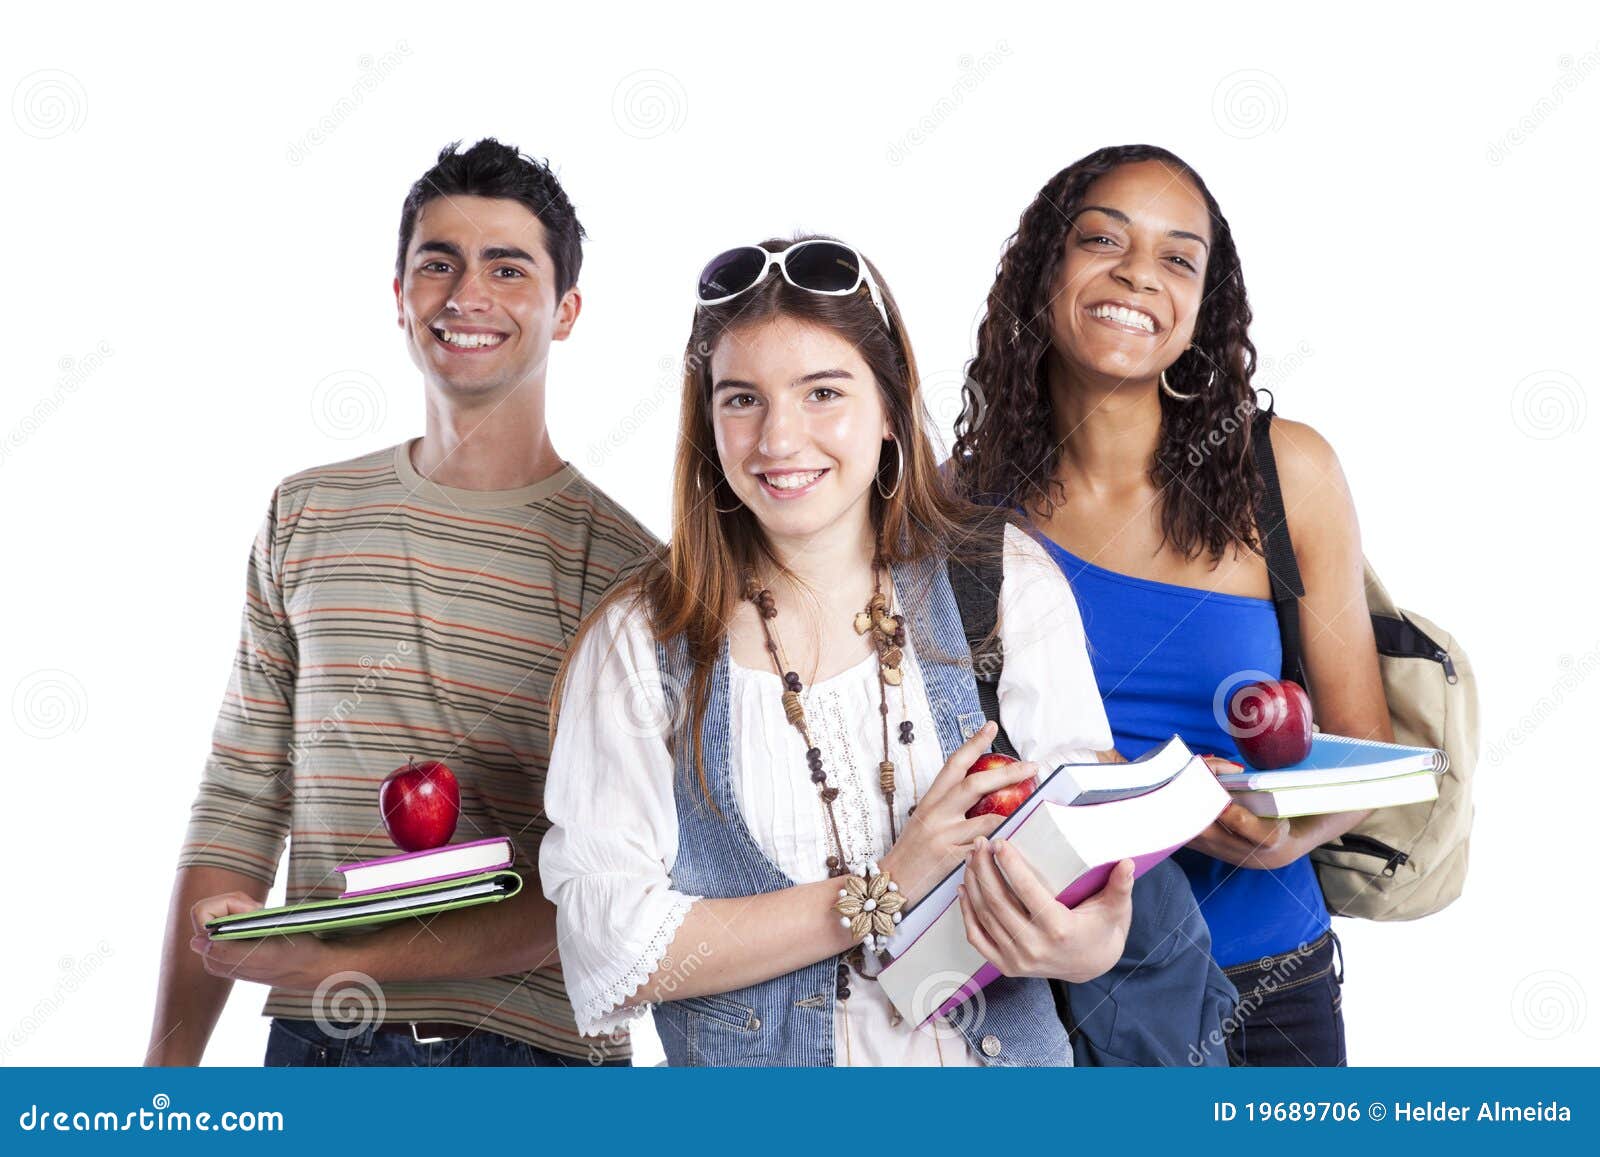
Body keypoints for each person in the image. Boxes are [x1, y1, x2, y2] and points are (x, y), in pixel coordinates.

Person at [540, 234, 1156, 1067]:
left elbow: (1087, 867)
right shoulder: (641, 640)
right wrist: (880, 888)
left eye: (823, 392)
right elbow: (609, 943)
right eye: (741, 399)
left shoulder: (1003, 580)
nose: (778, 439)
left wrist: (1085, 943)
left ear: (891, 411)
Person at [146, 139, 656, 1067]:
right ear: (399, 295)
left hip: (533, 1061)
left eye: (509, 268)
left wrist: (339, 957)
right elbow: (239, 798)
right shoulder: (303, 514)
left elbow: (611, 886)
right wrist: (164, 1078)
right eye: (438, 263)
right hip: (319, 1046)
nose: (468, 294)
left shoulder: (631, 574)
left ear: (566, 311)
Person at [951, 144, 1394, 1066]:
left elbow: (1368, 748)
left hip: (1273, 985)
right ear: (1044, 272)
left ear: (1202, 309)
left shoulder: (1286, 474)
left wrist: (1284, 840)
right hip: (1059, 991)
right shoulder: (962, 506)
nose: (1138, 274)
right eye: (1102, 240)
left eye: (1178, 258)